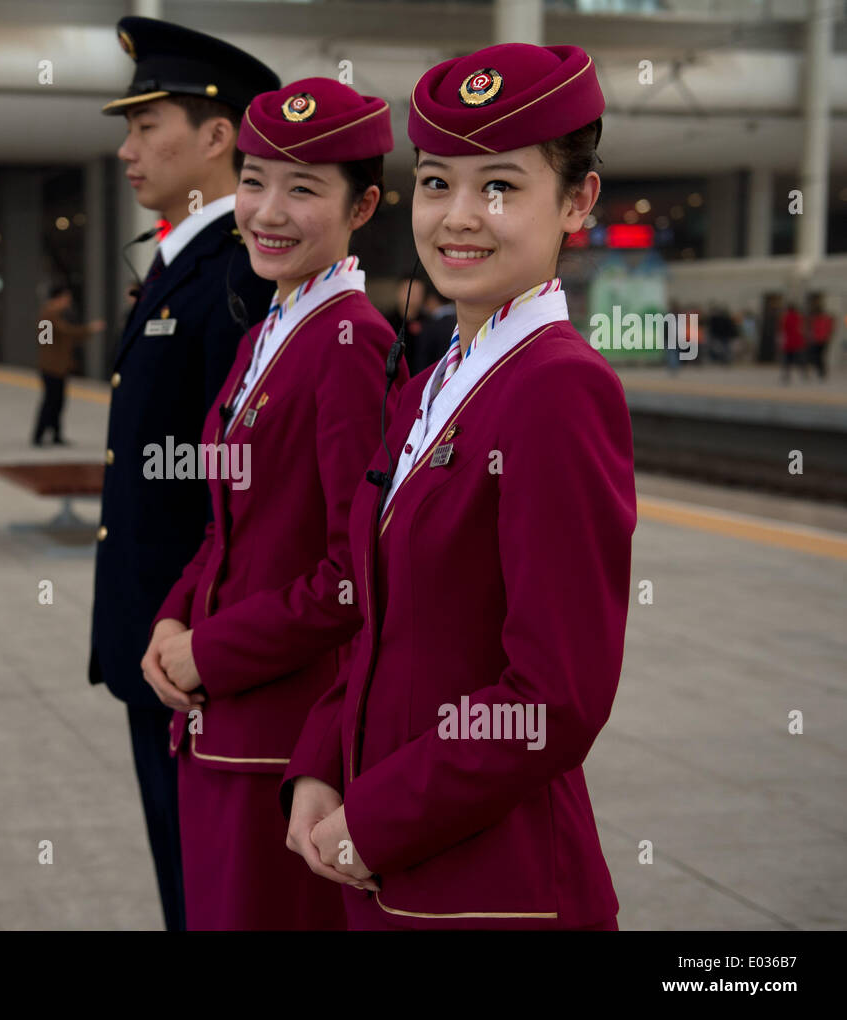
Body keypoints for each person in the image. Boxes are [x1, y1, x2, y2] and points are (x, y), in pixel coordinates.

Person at [283, 42, 636, 931]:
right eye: (437, 183)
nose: (458, 217)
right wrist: (321, 765)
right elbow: (377, 620)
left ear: (579, 200)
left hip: (493, 888)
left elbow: (554, 698)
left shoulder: (557, 387)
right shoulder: (433, 382)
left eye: (502, 187)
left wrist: (377, 816)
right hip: (394, 870)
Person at [141, 78, 405, 931]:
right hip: (222, 724)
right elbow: (228, 525)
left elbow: (352, 573)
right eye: (254, 181)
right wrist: (171, 622)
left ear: (362, 205)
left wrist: (210, 651)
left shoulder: (350, 342)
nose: (268, 210)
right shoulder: (270, 328)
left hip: (279, 741)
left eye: (304, 188)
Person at [89, 15, 279, 933]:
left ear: (217, 137)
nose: (126, 150)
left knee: (207, 886)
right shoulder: (180, 263)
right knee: (181, 874)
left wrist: (198, 634)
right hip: (155, 638)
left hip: (192, 650)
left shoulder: (234, 275)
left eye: (145, 126)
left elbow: (238, 486)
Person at [33, 285, 104, 446]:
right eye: (66, 298)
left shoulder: (54, 314)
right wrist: (89, 329)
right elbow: (63, 333)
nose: (68, 302)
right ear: (59, 298)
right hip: (53, 367)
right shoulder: (49, 315)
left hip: (58, 366)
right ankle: (39, 435)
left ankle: (55, 434)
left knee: (57, 402)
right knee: (51, 402)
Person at [781, 300, 808, 383]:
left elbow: (783, 329)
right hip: (797, 340)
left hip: (789, 341)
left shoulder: (786, 317)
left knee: (787, 359)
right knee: (800, 358)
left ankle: (786, 374)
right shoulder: (799, 317)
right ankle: (804, 373)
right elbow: (802, 328)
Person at [808, 294, 833, 380]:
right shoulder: (822, 319)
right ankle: (821, 371)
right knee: (819, 356)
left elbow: (815, 330)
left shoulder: (820, 320)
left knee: (818, 356)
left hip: (820, 340)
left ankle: (821, 371)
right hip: (821, 339)